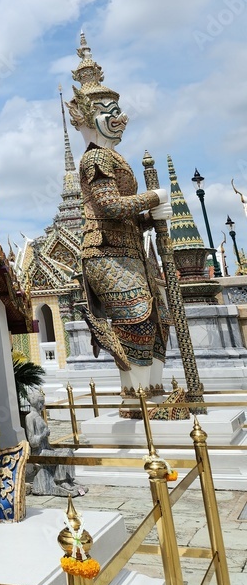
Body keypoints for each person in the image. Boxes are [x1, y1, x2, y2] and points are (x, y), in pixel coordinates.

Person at [66, 34, 173, 416]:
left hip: (131, 252)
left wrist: (147, 217)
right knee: (138, 318)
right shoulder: (95, 160)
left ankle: (154, 395)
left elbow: (124, 211)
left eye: (117, 107)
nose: (118, 116)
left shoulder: (117, 158)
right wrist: (154, 199)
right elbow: (110, 207)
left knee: (159, 320)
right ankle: (138, 401)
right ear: (87, 116)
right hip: (106, 253)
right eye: (108, 109)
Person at [25, 389, 86, 496]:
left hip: (47, 449)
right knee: (63, 455)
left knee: (68, 451)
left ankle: (69, 479)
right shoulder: (30, 417)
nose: (42, 405)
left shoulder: (39, 417)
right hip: (39, 453)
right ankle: (61, 481)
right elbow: (33, 441)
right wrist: (44, 434)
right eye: (41, 403)